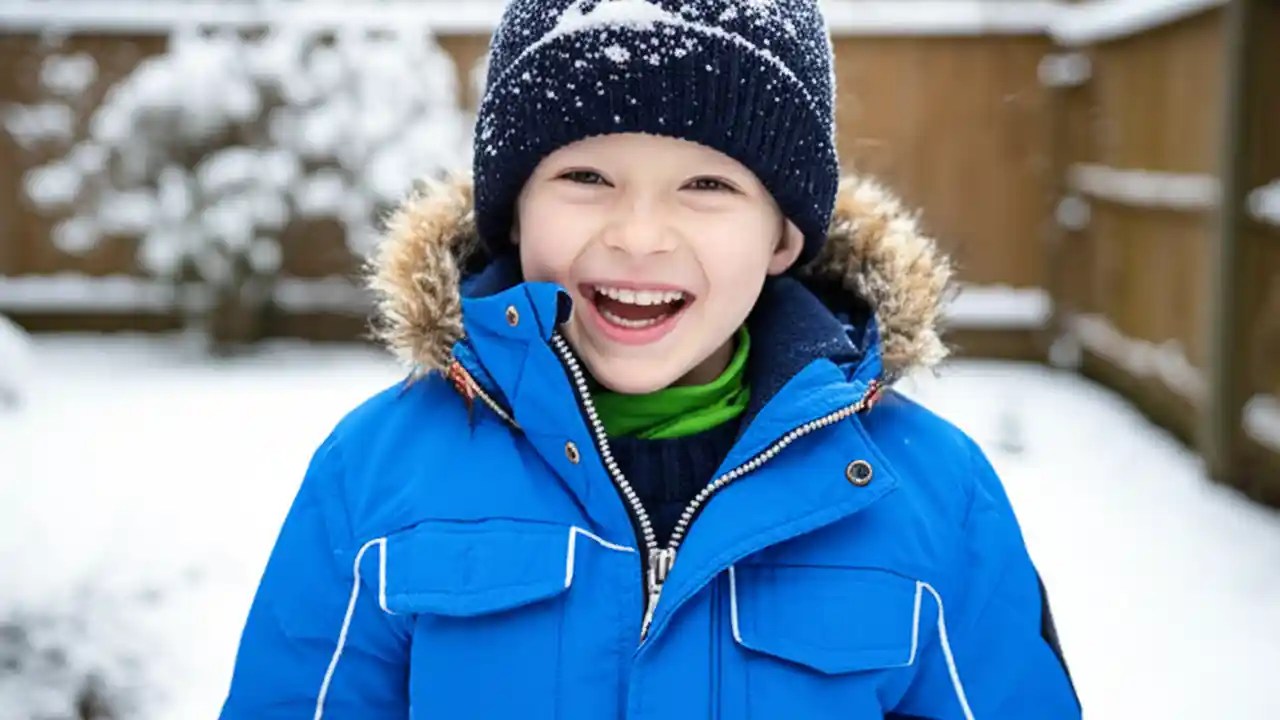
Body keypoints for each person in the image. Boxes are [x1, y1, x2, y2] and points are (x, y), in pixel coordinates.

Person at [221, 0, 1081, 717]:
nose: (637, 236)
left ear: (782, 234)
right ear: (515, 213)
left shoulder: (930, 499)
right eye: (586, 178)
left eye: (707, 186)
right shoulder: (377, 479)